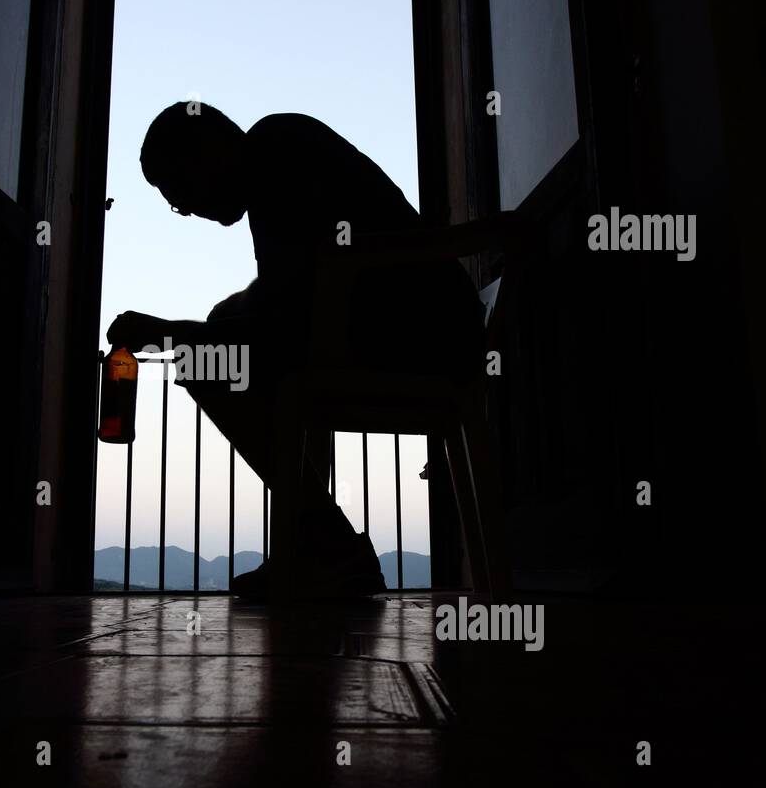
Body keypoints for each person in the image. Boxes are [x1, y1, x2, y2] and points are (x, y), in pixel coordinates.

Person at [107, 102, 487, 599]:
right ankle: (318, 542)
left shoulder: (275, 154)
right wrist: (208, 325)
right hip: (426, 328)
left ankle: (323, 540)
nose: (189, 209)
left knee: (203, 362)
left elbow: (281, 324)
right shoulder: (278, 151)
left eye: (180, 191)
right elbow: (288, 303)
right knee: (219, 337)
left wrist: (168, 334)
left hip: (419, 335)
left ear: (209, 150)